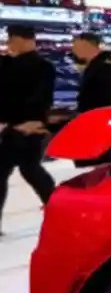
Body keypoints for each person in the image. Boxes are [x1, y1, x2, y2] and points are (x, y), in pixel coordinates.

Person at [0, 26, 56, 235]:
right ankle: (57, 212)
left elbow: (38, 99)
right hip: (18, 127)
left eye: (11, 40)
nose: (9, 45)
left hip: (27, 128)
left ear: (21, 40)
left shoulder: (41, 67)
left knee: (31, 170)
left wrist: (19, 121)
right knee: (28, 170)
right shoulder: (11, 64)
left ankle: (58, 212)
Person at [69, 32, 111, 166]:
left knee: (103, 158)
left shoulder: (103, 67)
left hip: (97, 121)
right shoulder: (96, 65)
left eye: (76, 46)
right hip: (95, 120)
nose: (73, 49)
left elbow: (105, 97)